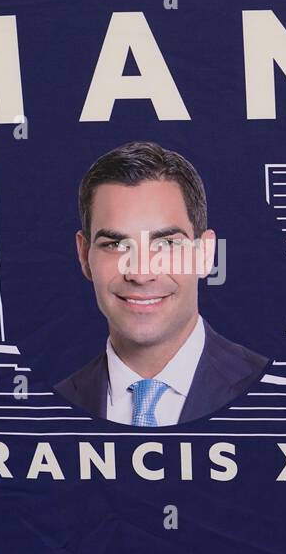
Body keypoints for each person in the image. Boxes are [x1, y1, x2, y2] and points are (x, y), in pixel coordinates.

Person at [54, 141, 270, 427]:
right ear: (84, 255)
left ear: (205, 255)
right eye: (116, 244)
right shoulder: (51, 405)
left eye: (167, 243)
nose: (141, 273)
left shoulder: (277, 394)